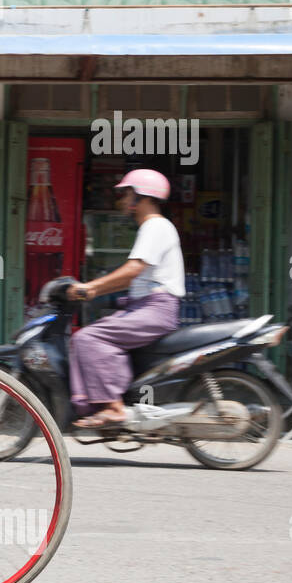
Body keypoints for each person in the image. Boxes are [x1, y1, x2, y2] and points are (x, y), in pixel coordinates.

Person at [66, 169, 184, 428]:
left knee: (89, 337)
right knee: (94, 333)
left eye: (126, 193)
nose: (121, 199)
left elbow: (132, 271)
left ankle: (113, 407)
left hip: (155, 309)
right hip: (146, 306)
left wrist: (92, 287)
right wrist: (96, 290)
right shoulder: (152, 227)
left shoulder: (155, 225)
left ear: (141, 196)